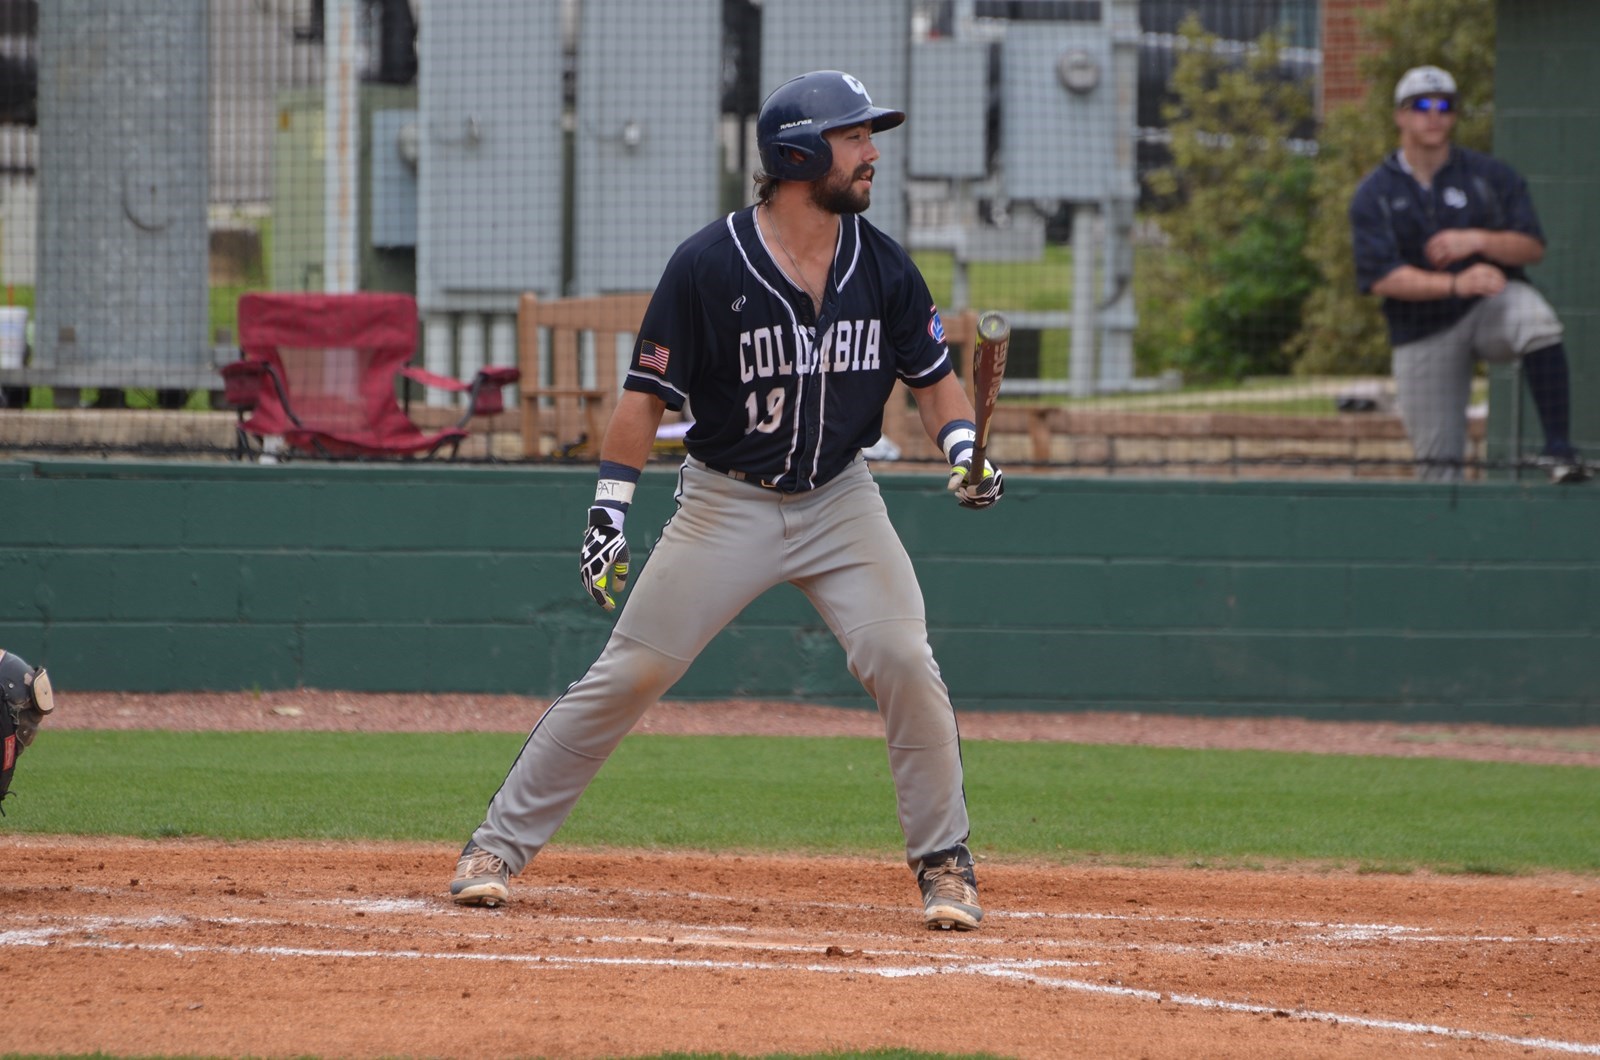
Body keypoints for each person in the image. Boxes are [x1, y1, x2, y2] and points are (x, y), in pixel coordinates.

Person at [449, 70, 1003, 930]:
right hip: (725, 503)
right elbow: (643, 399)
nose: (871, 153)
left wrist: (965, 449)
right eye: (854, 138)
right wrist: (607, 511)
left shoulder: (884, 264)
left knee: (903, 662)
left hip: (841, 503)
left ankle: (944, 861)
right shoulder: (708, 265)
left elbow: (934, 383)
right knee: (632, 671)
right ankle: (496, 845)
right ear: (797, 153)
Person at [1350, 65, 1587, 483]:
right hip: (1422, 331)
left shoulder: (1489, 176)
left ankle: (1559, 451)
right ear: (1400, 116)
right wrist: (1455, 283)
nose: (1434, 114)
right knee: (1439, 471)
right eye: (1421, 105)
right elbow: (1381, 277)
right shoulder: (1375, 193)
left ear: (1455, 115)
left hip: (1488, 307)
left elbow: (1533, 247)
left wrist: (1477, 240)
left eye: (1445, 105)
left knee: (1537, 320)